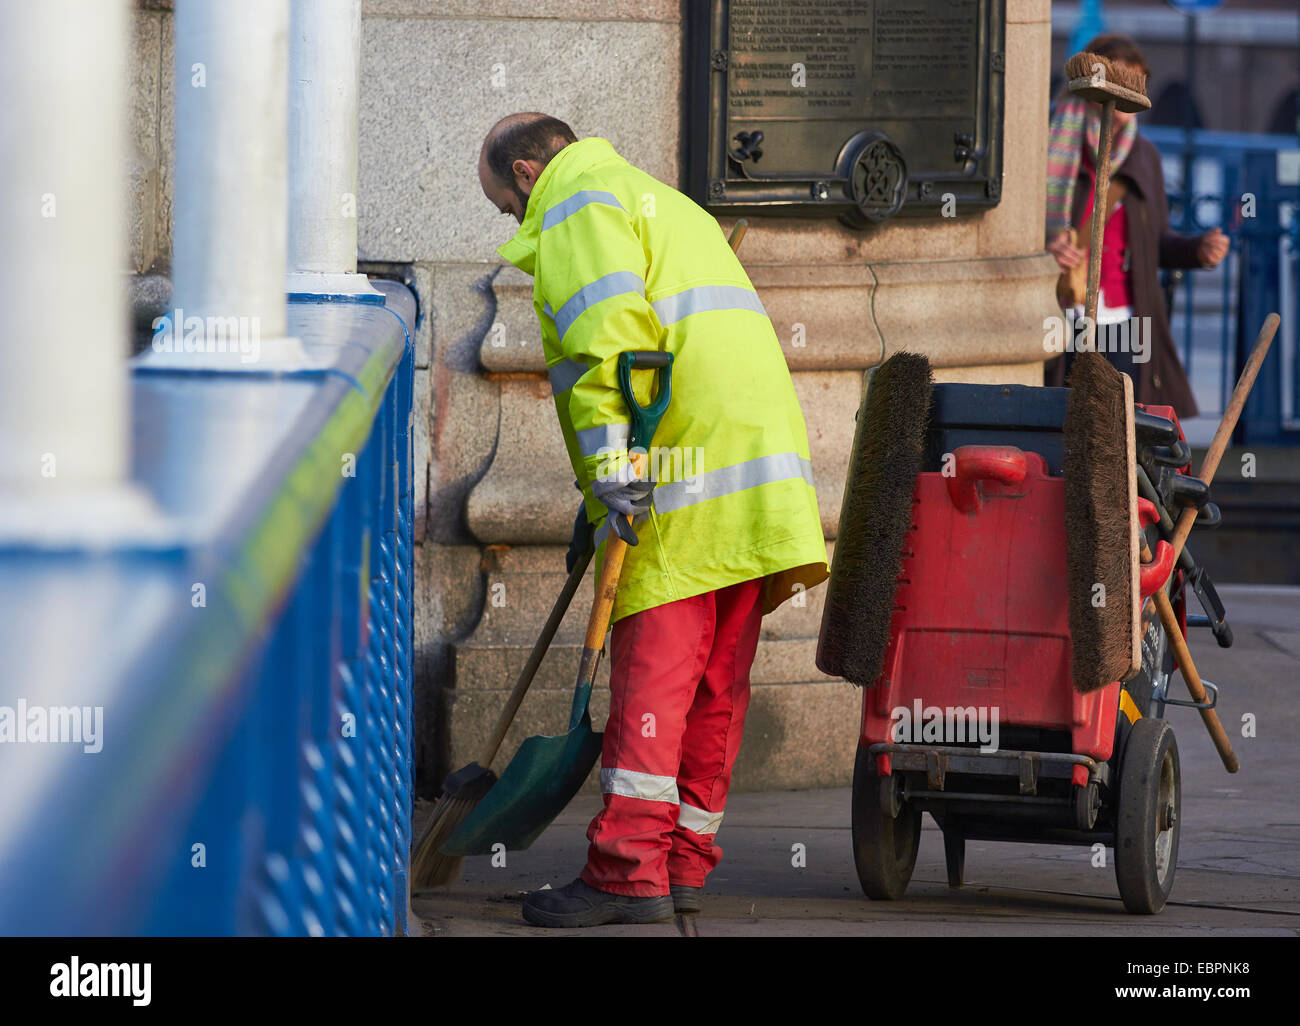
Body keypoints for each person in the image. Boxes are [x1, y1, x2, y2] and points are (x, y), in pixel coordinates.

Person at [477, 113, 829, 927]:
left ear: (529, 173)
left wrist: (616, 476)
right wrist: (594, 496)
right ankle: (685, 863)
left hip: (677, 467)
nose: (518, 226)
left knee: (656, 678)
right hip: (756, 467)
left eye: (507, 209)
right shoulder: (664, 202)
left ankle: (626, 873)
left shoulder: (573, 204)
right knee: (716, 680)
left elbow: (615, 353)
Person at [1045, 33, 1228, 418]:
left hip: (1125, 320)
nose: (1130, 91)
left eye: (1138, 81)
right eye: (1122, 79)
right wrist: (1047, 247)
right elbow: (1022, 227)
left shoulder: (1145, 157)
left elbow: (1157, 242)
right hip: (1061, 314)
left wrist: (1198, 250)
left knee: (1120, 429)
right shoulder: (1054, 142)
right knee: (1062, 427)